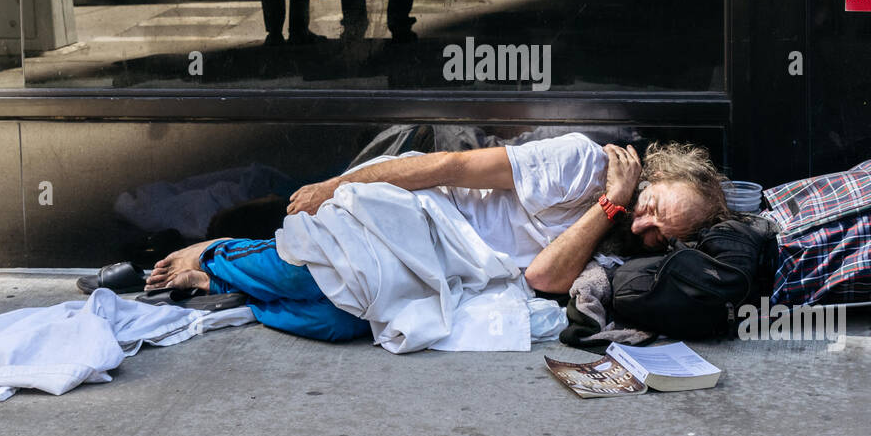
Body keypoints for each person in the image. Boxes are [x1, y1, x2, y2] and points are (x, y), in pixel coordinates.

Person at [144, 136, 730, 344]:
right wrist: (335, 184)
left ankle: (237, 287)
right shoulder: (578, 162)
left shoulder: (614, 243)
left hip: (456, 271)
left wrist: (610, 212)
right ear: (652, 173)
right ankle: (216, 258)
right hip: (419, 211)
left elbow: (543, 279)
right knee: (313, 278)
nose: (642, 226)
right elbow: (448, 165)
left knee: (342, 323)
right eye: (650, 207)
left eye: (658, 235)